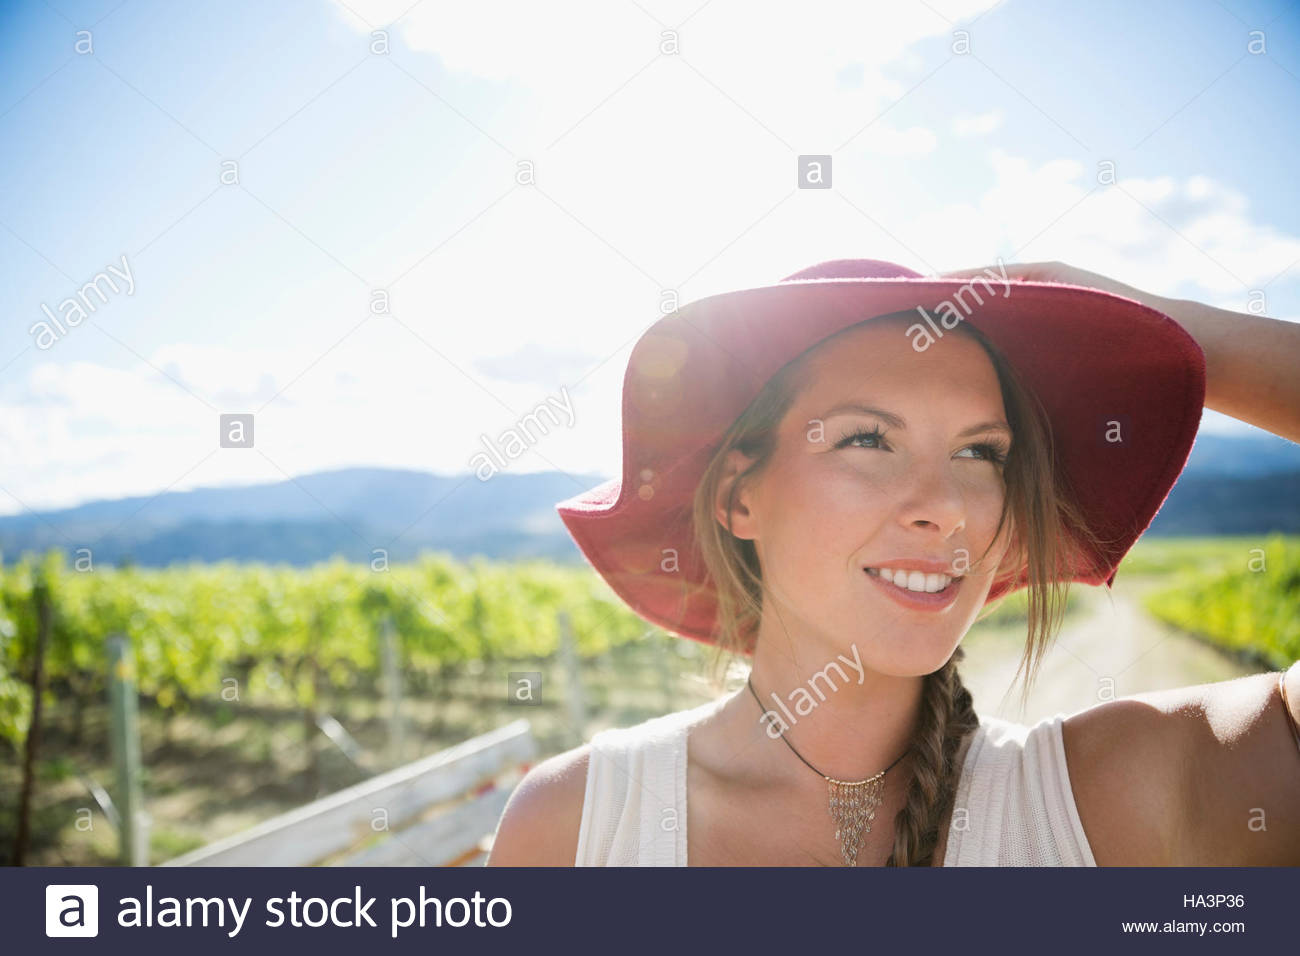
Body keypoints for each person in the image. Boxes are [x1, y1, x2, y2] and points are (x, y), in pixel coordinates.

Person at [486, 258, 1300, 867]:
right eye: (867, 439)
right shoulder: (579, 826)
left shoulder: (1118, 793)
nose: (943, 505)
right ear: (739, 497)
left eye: (981, 453)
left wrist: (1169, 329)